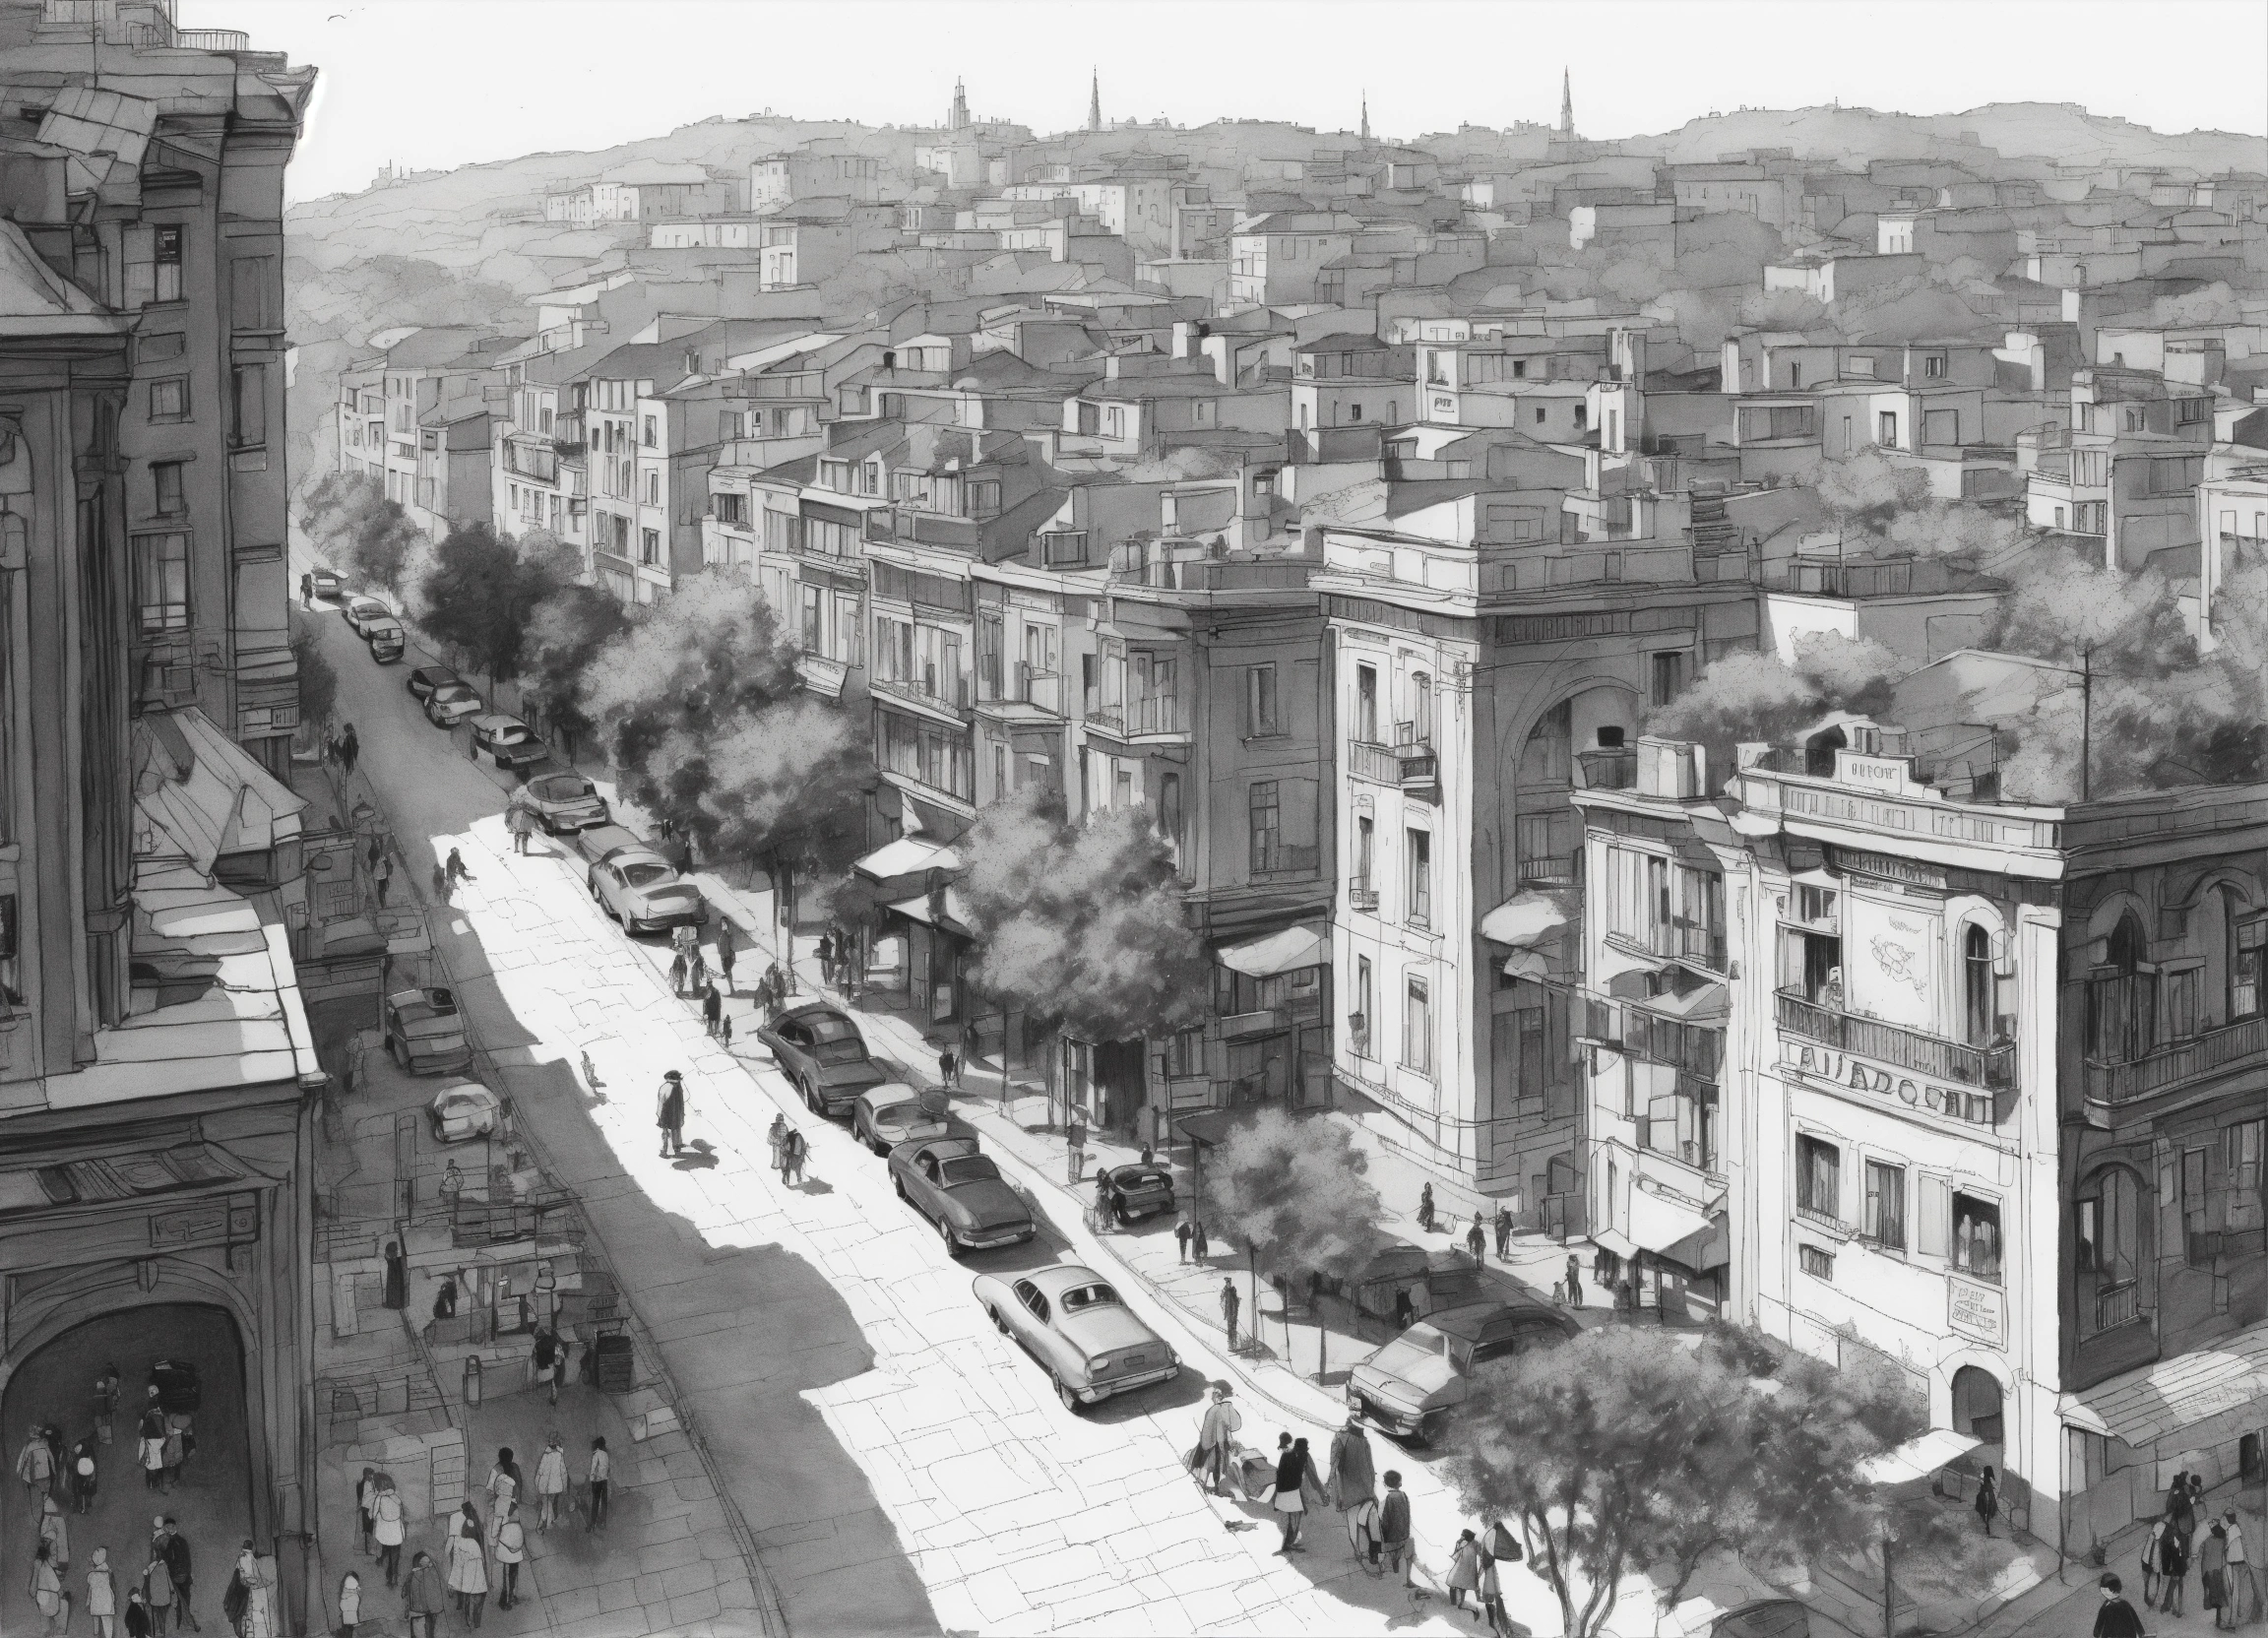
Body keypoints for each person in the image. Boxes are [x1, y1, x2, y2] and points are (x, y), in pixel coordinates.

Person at [445, 1502, 487, 1627]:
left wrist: (446, 1553)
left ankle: (463, 1609)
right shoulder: (475, 1520)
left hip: (463, 1559)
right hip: (476, 1564)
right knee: (477, 1593)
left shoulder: (456, 1518)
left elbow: (452, 1541)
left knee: (464, 1584)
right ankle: (476, 1622)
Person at [1270, 1433, 1312, 1554]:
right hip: (1289, 1491)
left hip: (1288, 1491)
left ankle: (1289, 1543)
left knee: (1295, 1517)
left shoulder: (1287, 1455)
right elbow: (1297, 1472)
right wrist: (1303, 1456)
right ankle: (1288, 1545)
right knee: (1294, 1518)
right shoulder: (1290, 1456)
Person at [1196, 1382, 1240, 1496]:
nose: (1212, 1398)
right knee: (1219, 1466)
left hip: (1213, 1443)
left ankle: (1204, 1485)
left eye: (1213, 1396)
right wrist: (1230, 1440)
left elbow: (1207, 1429)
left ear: (1216, 1397)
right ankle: (1216, 1487)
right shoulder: (1228, 1407)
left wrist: (1205, 1442)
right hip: (1222, 1443)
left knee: (1207, 1465)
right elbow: (1230, 1427)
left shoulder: (1214, 1410)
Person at [1328, 1416, 1376, 1513]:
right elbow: (1369, 1465)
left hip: (1345, 1472)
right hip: (1362, 1483)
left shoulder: (1341, 1437)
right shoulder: (1364, 1441)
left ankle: (1343, 1504)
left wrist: (1332, 1472)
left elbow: (1334, 1456)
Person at [156, 1517, 195, 1633]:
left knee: (185, 1601)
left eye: (171, 1527)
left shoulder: (181, 1541)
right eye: (167, 1527)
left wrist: (188, 1574)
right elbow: (163, 1558)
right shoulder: (165, 1541)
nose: (169, 1529)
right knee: (172, 1602)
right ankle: (175, 1626)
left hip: (182, 1577)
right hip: (171, 1577)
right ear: (165, 1528)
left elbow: (187, 1560)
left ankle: (184, 1624)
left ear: (175, 1527)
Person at [1379, 1471, 1417, 1591]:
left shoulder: (1388, 1498)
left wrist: (1383, 1536)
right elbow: (1407, 1516)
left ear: (1385, 1484)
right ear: (1399, 1483)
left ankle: (1387, 1572)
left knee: (1385, 1548)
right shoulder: (1404, 1495)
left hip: (1391, 1538)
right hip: (1404, 1536)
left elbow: (1385, 1520)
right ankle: (1408, 1579)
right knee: (1410, 1550)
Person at [489, 1500, 526, 1610]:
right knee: (512, 1574)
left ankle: (508, 1598)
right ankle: (509, 1598)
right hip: (514, 1548)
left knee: (508, 1574)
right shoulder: (516, 1511)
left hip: (506, 1549)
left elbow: (494, 1532)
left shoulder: (500, 1514)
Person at [400, 1550, 446, 1638]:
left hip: (417, 1611)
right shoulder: (432, 1574)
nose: (430, 1565)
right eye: (429, 1564)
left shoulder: (412, 1575)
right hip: (431, 1610)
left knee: (418, 1633)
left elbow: (404, 1593)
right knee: (430, 1632)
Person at [372, 1476, 406, 1587]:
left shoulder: (379, 1498)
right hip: (396, 1530)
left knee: (386, 1548)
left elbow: (373, 1515)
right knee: (395, 1553)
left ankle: (387, 1571)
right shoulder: (397, 1497)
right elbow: (402, 1514)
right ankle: (393, 1576)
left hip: (385, 1532)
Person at [32, 1539, 69, 1636]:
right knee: (58, 1630)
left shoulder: (42, 1566)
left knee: (47, 1630)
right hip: (50, 1602)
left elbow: (32, 1591)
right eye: (54, 1551)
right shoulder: (45, 1568)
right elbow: (57, 1588)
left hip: (43, 1602)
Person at [2225, 1507, 2256, 1622]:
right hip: (2244, 1562)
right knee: (2243, 1590)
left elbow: (2226, 1546)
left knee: (2235, 1591)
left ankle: (2232, 1620)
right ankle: (2241, 1613)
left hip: (2234, 1563)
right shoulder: (2240, 1528)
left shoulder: (2231, 1530)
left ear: (2229, 1518)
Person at [2095, 1573, 2148, 1638]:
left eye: (2103, 1589)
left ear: (2110, 1590)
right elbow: (2135, 1618)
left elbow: (2100, 1621)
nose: (2102, 1591)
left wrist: (2097, 1632)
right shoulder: (2125, 1604)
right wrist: (2140, 1631)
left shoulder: (2107, 1606)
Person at [19, 1418, 56, 1507]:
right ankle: (44, 1513)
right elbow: (52, 1459)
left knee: (37, 1500)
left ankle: (41, 1515)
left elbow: (24, 1463)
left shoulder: (30, 1446)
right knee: (45, 1498)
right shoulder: (44, 1444)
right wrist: (54, 1472)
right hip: (46, 1477)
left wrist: (22, 1474)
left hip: (36, 1478)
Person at [535, 1436, 568, 1532]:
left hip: (547, 1484)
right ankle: (547, 1521)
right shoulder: (558, 1455)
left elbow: (540, 1471)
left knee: (547, 1503)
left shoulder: (546, 1455)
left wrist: (537, 1482)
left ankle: (545, 1521)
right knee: (548, 1502)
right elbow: (563, 1471)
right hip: (553, 1485)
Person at [2164, 1513, 2192, 1617]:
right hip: (2176, 1564)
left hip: (2181, 1563)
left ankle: (2176, 1608)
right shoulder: (2170, 1537)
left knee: (2178, 1584)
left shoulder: (2184, 1536)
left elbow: (2186, 1550)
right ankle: (2172, 1607)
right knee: (2175, 1584)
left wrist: (2187, 1559)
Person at [1447, 1528, 1483, 1609]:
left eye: (1463, 1535)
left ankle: (1469, 1600)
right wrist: (1457, 1548)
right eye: (1461, 1535)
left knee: (1466, 1585)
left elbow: (1481, 1554)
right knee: (1456, 1584)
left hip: (1469, 1567)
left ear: (1466, 1536)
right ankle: (1456, 1602)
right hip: (1461, 1566)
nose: (1461, 1536)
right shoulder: (1461, 1542)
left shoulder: (1475, 1544)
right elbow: (1456, 1555)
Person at [2205, 1519, 2232, 1628]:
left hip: (2212, 1570)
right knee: (2222, 1595)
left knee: (2216, 1596)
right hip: (2221, 1569)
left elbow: (2206, 1557)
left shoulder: (2209, 1540)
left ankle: (2219, 1620)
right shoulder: (2224, 1539)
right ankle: (2220, 1620)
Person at [87, 1545, 116, 1638]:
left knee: (98, 1624)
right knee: (107, 1624)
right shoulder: (107, 1571)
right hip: (106, 1601)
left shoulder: (94, 1573)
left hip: (98, 1601)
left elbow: (90, 1581)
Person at [657, 1070, 686, 1158]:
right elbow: (662, 1101)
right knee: (670, 1131)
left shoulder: (671, 1087)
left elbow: (661, 1101)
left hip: (672, 1113)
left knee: (671, 1131)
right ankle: (671, 1149)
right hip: (668, 1113)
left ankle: (673, 1148)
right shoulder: (669, 1087)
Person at [2143, 1515, 2169, 1608]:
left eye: (2157, 1530)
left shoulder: (2161, 1542)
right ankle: (2149, 1599)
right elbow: (2148, 1551)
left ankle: (2151, 1601)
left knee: (2153, 1582)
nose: (2155, 1532)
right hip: (2147, 1563)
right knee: (2148, 1582)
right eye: (2154, 1529)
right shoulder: (2152, 1537)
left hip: (2154, 1566)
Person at [40, 1493, 70, 1572]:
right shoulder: (51, 1506)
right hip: (56, 1524)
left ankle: (59, 1567)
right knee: (59, 1547)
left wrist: (44, 1535)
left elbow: (46, 1523)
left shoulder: (49, 1505)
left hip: (54, 1525)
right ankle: (60, 1566)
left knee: (58, 1547)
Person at [586, 1436, 610, 1531]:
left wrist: (591, 1481)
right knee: (604, 1502)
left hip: (597, 1482)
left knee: (595, 1503)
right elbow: (608, 1469)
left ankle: (592, 1524)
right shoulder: (605, 1454)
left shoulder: (596, 1455)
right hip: (605, 1481)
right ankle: (603, 1522)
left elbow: (593, 1469)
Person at [485, 1448, 521, 1514]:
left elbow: (518, 1487)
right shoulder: (496, 1470)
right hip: (500, 1502)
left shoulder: (514, 1468)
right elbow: (490, 1490)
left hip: (511, 1503)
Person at [70, 1436, 96, 1513]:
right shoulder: (89, 1453)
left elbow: (73, 1464)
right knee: (83, 1489)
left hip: (81, 1472)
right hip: (84, 1472)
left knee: (79, 1489)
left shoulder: (79, 1452)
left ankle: (78, 1506)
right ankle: (83, 1506)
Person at [356, 1468, 378, 1557]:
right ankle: (368, 1550)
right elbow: (363, 1497)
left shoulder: (372, 1483)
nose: (371, 1476)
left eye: (372, 1474)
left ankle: (370, 1549)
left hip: (371, 1508)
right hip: (366, 1508)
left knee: (371, 1529)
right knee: (367, 1529)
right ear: (366, 1475)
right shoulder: (363, 1484)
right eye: (370, 1474)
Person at [96, 1365, 120, 1447]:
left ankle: (106, 1439)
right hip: (105, 1408)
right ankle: (106, 1439)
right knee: (105, 1422)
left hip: (104, 1409)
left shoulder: (110, 1387)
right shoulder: (111, 1387)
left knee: (104, 1422)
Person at [1975, 1464, 1999, 1537]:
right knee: (1987, 1506)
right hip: (1987, 1495)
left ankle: (1985, 1519)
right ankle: (1987, 1520)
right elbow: (1993, 1486)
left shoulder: (1983, 1476)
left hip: (1985, 1495)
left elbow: (1981, 1484)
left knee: (1985, 1506)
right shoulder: (1990, 1478)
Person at [382, 1241, 407, 1310]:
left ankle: (395, 1304)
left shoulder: (396, 1260)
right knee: (393, 1289)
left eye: (396, 1250)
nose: (396, 1252)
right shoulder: (391, 1261)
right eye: (395, 1250)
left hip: (396, 1279)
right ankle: (393, 1303)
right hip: (393, 1279)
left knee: (396, 1289)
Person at [336, 1570, 360, 1638]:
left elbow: (341, 1605)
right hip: (351, 1615)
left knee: (347, 1628)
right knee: (349, 1629)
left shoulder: (344, 1592)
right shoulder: (354, 1594)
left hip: (346, 1615)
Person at [715, 920, 737, 994]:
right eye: (722, 924)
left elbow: (731, 946)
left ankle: (732, 989)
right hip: (724, 956)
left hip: (727, 956)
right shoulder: (722, 936)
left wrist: (731, 954)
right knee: (727, 971)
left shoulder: (728, 935)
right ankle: (731, 987)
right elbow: (719, 945)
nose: (723, 926)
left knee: (728, 971)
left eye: (724, 924)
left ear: (727, 925)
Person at [1221, 1279, 1241, 1353]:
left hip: (1233, 1312)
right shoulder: (1225, 1291)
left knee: (1233, 1328)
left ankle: (1234, 1345)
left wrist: (1238, 1301)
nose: (1228, 1284)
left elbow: (1235, 1300)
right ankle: (1231, 1345)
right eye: (1227, 1283)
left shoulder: (1233, 1290)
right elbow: (1222, 1301)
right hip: (1229, 1312)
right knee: (1230, 1329)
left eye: (1229, 1283)